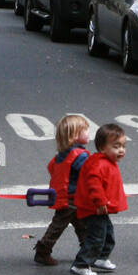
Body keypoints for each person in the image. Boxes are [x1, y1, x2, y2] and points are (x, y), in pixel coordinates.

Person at [70, 123, 128, 275]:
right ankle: (81, 264)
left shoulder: (107, 162)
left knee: (108, 233)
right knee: (96, 236)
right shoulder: (99, 163)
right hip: (94, 208)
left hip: (100, 208)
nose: (121, 150)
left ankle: (101, 258)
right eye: (116, 147)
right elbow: (93, 184)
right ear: (102, 148)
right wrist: (100, 201)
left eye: (123, 146)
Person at [34, 113, 91, 266]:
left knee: (77, 225)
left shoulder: (63, 154)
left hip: (64, 195)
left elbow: (53, 169)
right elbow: (89, 175)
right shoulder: (80, 155)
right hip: (73, 198)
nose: (89, 132)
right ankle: (43, 250)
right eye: (85, 129)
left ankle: (87, 250)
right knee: (65, 226)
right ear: (74, 135)